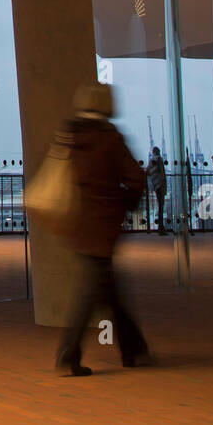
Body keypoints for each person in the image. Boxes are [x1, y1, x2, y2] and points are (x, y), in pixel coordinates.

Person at [55, 82, 152, 376]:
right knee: (91, 293)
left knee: (109, 289)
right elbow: (136, 179)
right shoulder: (109, 139)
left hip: (79, 219)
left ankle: (133, 348)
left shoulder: (70, 136)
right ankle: (69, 355)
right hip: (104, 222)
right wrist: (124, 203)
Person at [146, 146, 167, 232]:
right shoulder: (159, 159)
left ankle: (160, 227)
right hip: (160, 185)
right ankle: (161, 228)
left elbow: (147, 171)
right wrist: (164, 185)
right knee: (161, 206)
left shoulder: (151, 161)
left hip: (155, 185)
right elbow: (162, 173)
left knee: (159, 206)